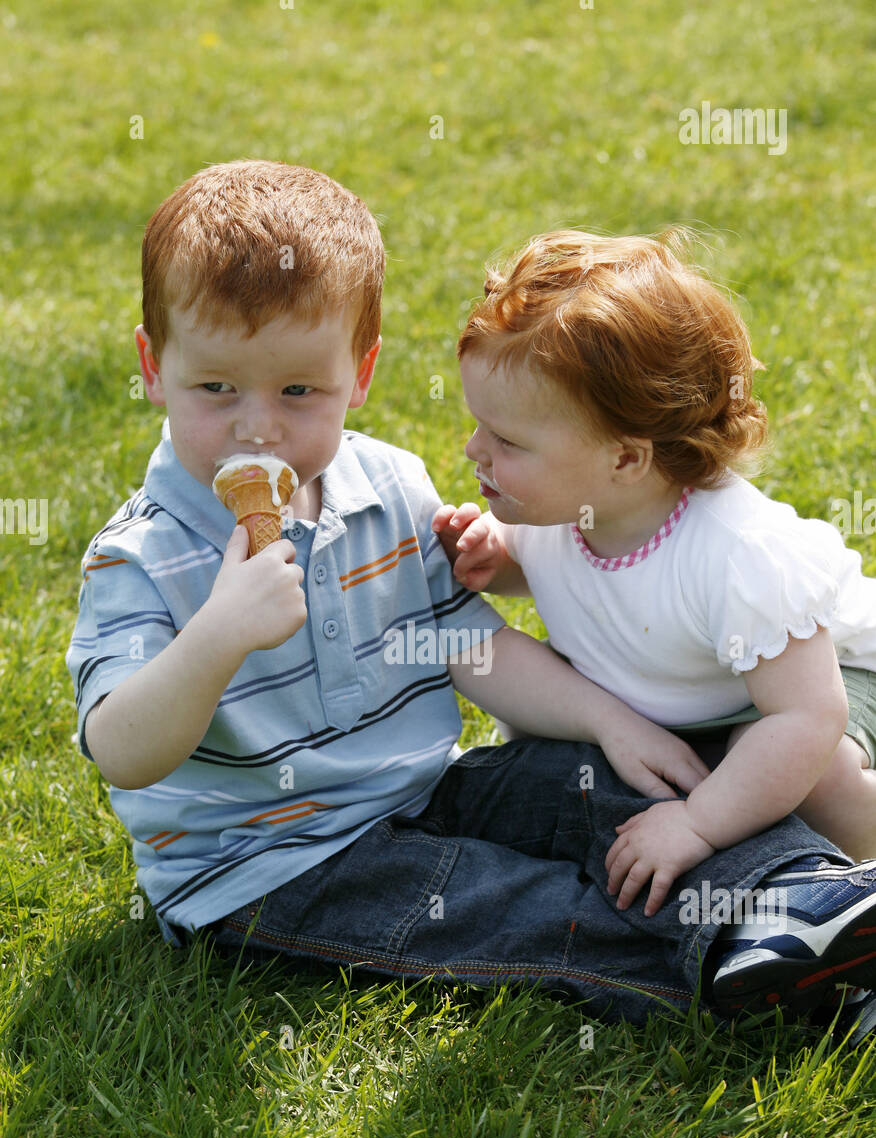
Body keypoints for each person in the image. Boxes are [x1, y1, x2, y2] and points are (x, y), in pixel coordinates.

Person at [65, 165, 876, 1031]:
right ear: (153, 367)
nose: (257, 425)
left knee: (599, 786)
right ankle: (764, 971)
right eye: (215, 388)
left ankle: (811, 892)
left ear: (361, 373)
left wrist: (608, 720)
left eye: (299, 390)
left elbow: (463, 641)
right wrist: (216, 638)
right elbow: (122, 748)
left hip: (425, 788)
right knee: (503, 906)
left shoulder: (384, 484)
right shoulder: (141, 555)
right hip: (274, 865)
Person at [433, 229, 876, 1017]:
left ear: (627, 460)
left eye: (506, 440)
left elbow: (808, 717)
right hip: (686, 700)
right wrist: (489, 559)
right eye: (479, 426)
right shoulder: (558, 505)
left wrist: (698, 825)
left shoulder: (737, 557)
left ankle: (855, 886)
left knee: (814, 775)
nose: (475, 450)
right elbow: (546, 571)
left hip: (822, 682)